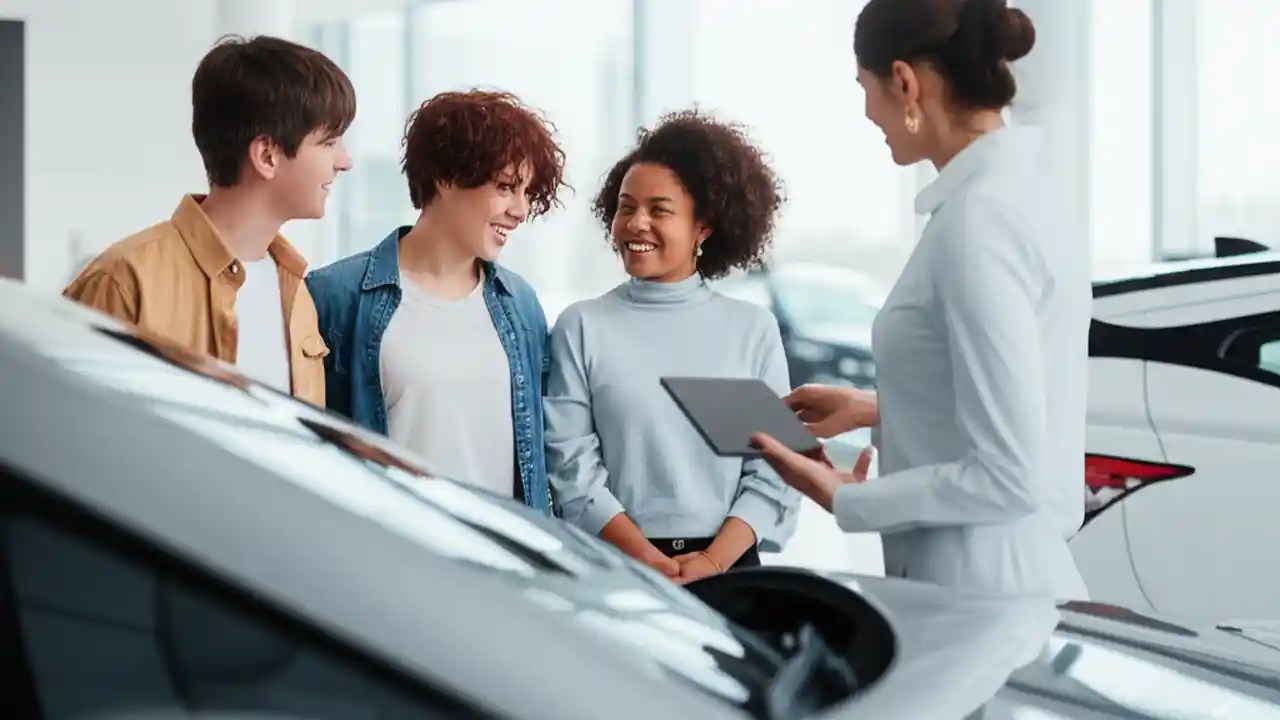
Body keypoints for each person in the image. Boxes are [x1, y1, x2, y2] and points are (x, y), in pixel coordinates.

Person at [752, 0, 1090, 601]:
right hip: (1001, 579)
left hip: (982, 594)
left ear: (905, 81)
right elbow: (1013, 402)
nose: (865, 111)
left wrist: (843, 496)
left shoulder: (977, 222)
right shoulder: (1022, 198)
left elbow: (1009, 476)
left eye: (865, 86)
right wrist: (878, 407)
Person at [545, 110, 799, 582]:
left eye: (659, 210)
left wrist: (712, 562)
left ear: (703, 226)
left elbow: (775, 471)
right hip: (614, 566)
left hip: (731, 570)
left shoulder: (750, 329)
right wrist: (645, 559)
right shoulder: (582, 326)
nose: (636, 223)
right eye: (626, 206)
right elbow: (571, 466)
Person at [305, 90, 567, 515]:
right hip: (395, 557)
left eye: (526, 192)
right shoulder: (335, 296)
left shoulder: (520, 305)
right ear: (446, 177)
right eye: (505, 187)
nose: (519, 210)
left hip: (504, 565)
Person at [63, 35, 354, 405]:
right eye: (329, 143)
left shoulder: (296, 291)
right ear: (267, 155)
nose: (345, 161)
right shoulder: (124, 280)